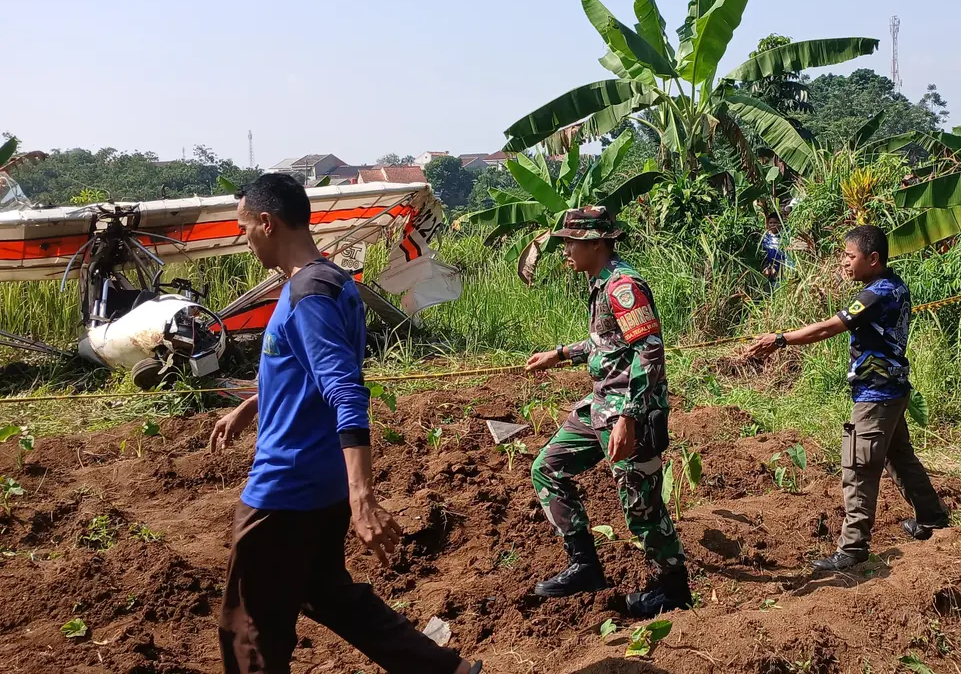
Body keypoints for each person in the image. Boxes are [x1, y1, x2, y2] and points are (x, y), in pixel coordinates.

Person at [209, 174, 477, 674]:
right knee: (327, 593)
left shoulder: (308, 294)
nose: (245, 239)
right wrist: (248, 408)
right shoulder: (330, 282)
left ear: (267, 223)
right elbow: (303, 370)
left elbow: (346, 392)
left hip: (285, 488)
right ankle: (446, 671)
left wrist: (364, 499)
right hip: (320, 483)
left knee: (247, 630)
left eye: (246, 228)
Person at [746, 225, 949, 571]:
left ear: (872, 259)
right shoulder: (894, 285)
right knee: (900, 459)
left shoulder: (874, 295)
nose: (843, 262)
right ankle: (932, 518)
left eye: (849, 256)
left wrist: (779, 339)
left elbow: (829, 327)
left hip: (876, 394)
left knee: (858, 467)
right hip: (894, 389)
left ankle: (853, 548)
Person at [524, 206, 691, 617]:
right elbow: (608, 343)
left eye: (571, 242)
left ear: (597, 243)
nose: (565, 250)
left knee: (642, 509)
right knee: (547, 467)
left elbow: (650, 352)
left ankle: (673, 590)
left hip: (628, 413)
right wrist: (561, 353)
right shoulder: (600, 284)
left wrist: (629, 418)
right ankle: (584, 566)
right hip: (600, 407)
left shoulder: (623, 286)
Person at [761, 212, 787, 288]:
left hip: (781, 263)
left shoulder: (785, 235)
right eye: (770, 223)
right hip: (768, 264)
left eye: (775, 223)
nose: (772, 225)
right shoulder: (765, 236)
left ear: (780, 223)